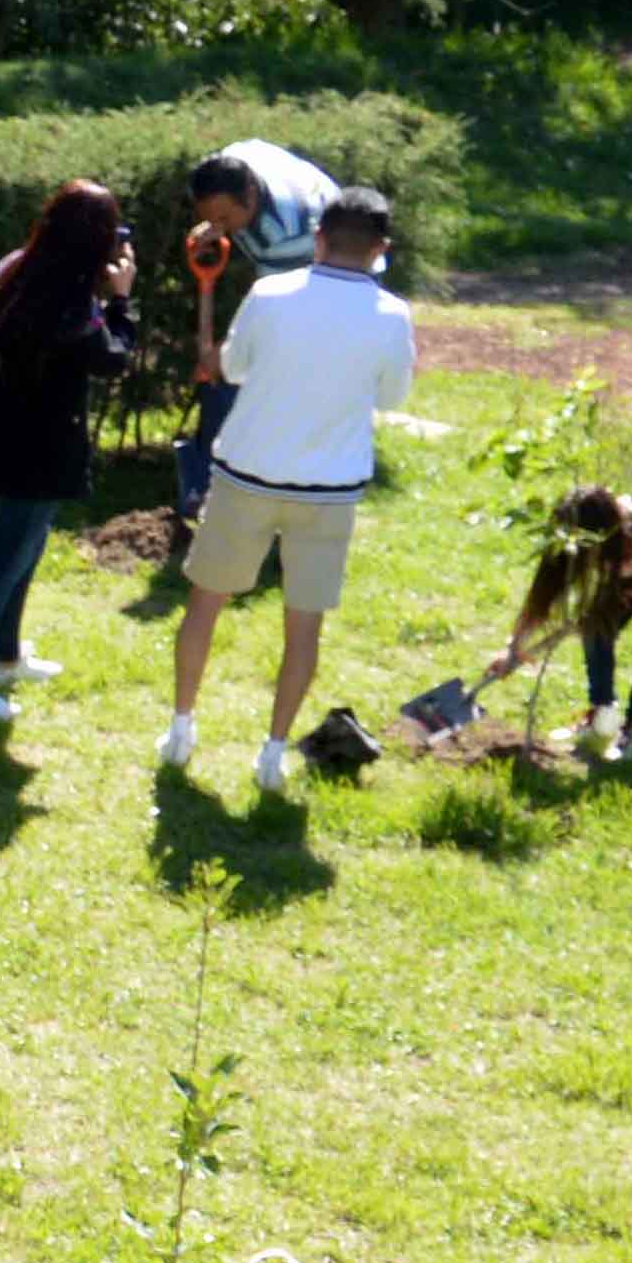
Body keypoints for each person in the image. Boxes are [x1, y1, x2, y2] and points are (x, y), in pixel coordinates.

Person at [157, 185, 418, 801]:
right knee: (304, 628)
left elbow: (234, 368)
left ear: (320, 238)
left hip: (247, 474)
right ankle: (273, 753)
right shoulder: (392, 314)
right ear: (380, 250)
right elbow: (392, 399)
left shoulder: (270, 293)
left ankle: (181, 726)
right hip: (329, 491)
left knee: (204, 603)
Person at [0, 180, 137, 728]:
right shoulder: (72, 301)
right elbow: (113, 359)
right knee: (7, 560)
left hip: (9, 426)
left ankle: (5, 657)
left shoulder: (17, 270)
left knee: (26, 548)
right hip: (46, 440)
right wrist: (121, 298)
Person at [482, 484, 632, 771]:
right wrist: (513, 649)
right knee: (595, 628)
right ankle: (602, 716)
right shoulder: (574, 540)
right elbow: (542, 597)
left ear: (603, 534)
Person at [173, 139, 340, 536]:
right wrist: (214, 228)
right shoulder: (232, 163)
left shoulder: (281, 233)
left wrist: (227, 357)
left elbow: (274, 314)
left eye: (225, 218)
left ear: (250, 194)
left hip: (334, 269)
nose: (219, 226)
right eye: (210, 217)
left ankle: (290, 513)